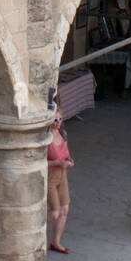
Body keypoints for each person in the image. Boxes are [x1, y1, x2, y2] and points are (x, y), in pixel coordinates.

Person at [46, 108, 74, 253]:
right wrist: (58, 163)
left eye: (60, 119)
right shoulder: (45, 137)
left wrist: (69, 160)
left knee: (64, 209)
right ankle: (28, 227)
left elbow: (66, 153)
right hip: (50, 177)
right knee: (54, 213)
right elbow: (39, 163)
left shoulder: (63, 134)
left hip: (62, 176)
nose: (57, 123)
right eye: (55, 120)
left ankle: (55, 242)